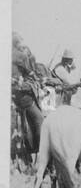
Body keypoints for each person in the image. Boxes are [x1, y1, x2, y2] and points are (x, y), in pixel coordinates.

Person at [10, 31, 44, 159]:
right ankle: (38, 149)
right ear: (18, 43)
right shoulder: (20, 56)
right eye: (21, 43)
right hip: (20, 94)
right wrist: (38, 81)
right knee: (39, 119)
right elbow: (30, 73)